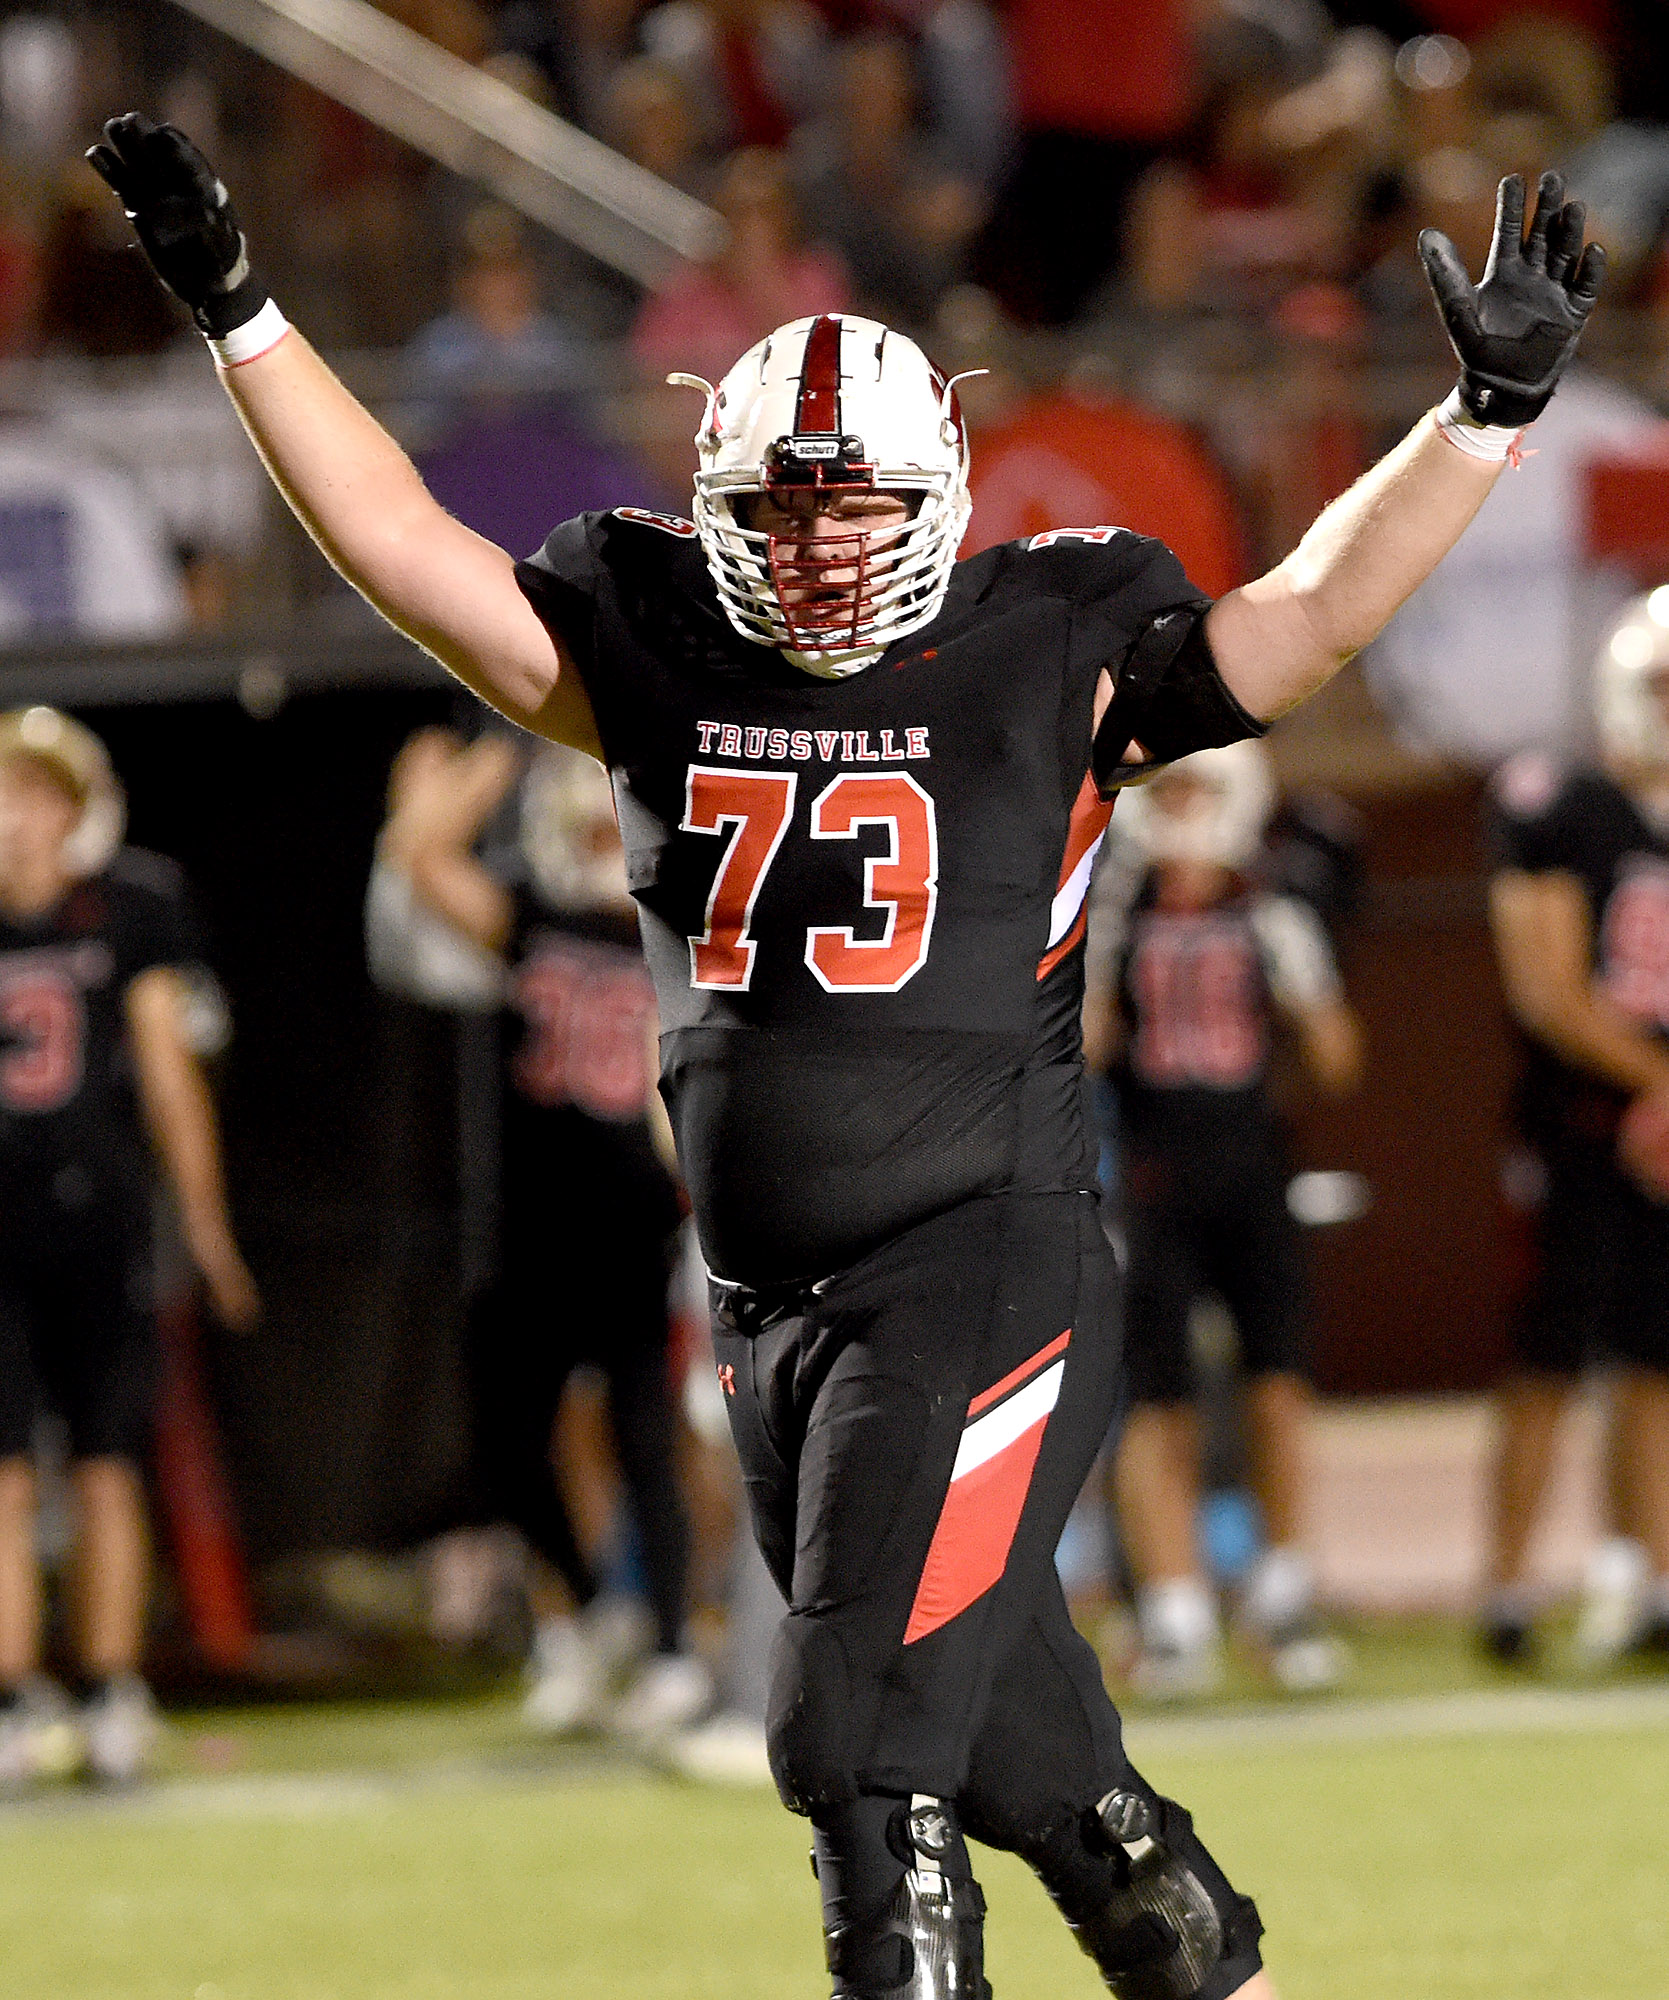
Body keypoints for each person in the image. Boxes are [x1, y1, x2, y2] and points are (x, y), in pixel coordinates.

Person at [89, 110, 1601, 1999]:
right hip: (771, 1311)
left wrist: (1471, 419)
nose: (814, 551)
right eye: (780, 510)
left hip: (980, 1264)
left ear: (938, 491)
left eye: (852, 508)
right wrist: (239, 314)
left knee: (855, 1749)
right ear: (716, 503)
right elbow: (404, 548)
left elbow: (1295, 619)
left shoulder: (1047, 638)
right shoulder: (649, 637)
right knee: (1039, 1773)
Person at [376, 728, 711, 1737]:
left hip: (637, 1230)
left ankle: (668, 1646)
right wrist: (501, 751)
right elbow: (422, 859)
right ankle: (587, 1610)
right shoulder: (531, 916)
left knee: (648, 1441)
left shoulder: (689, 929)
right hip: (531, 1229)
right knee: (510, 1445)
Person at [0, 706, 257, 1787]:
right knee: (3, 1473)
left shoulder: (133, 902)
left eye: (31, 791)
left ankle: (109, 1684)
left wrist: (204, 1222)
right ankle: (14, 1696)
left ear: (72, 804)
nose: (13, 816)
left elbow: (165, 1070)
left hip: (97, 1220)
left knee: (109, 1460)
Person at [1082, 742, 1363, 1698]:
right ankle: (1174, 1611)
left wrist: (1303, 969)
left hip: (1251, 1171)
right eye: (1171, 788)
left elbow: (1335, 1063)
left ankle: (1282, 1595)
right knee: (1156, 1400)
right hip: (1153, 1178)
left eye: (1201, 786)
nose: (1185, 806)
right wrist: (1102, 943)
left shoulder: (1270, 900)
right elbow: (1085, 1053)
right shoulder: (1120, 902)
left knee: (1277, 1383)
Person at [1479, 594, 1669, 1666]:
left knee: (1654, 1357)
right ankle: (1506, 1587)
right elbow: (1546, 988)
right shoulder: (1561, 798)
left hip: (1656, 1124)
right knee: (1547, 1355)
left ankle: (1646, 1575)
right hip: (1577, 1119)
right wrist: (1657, 1084)